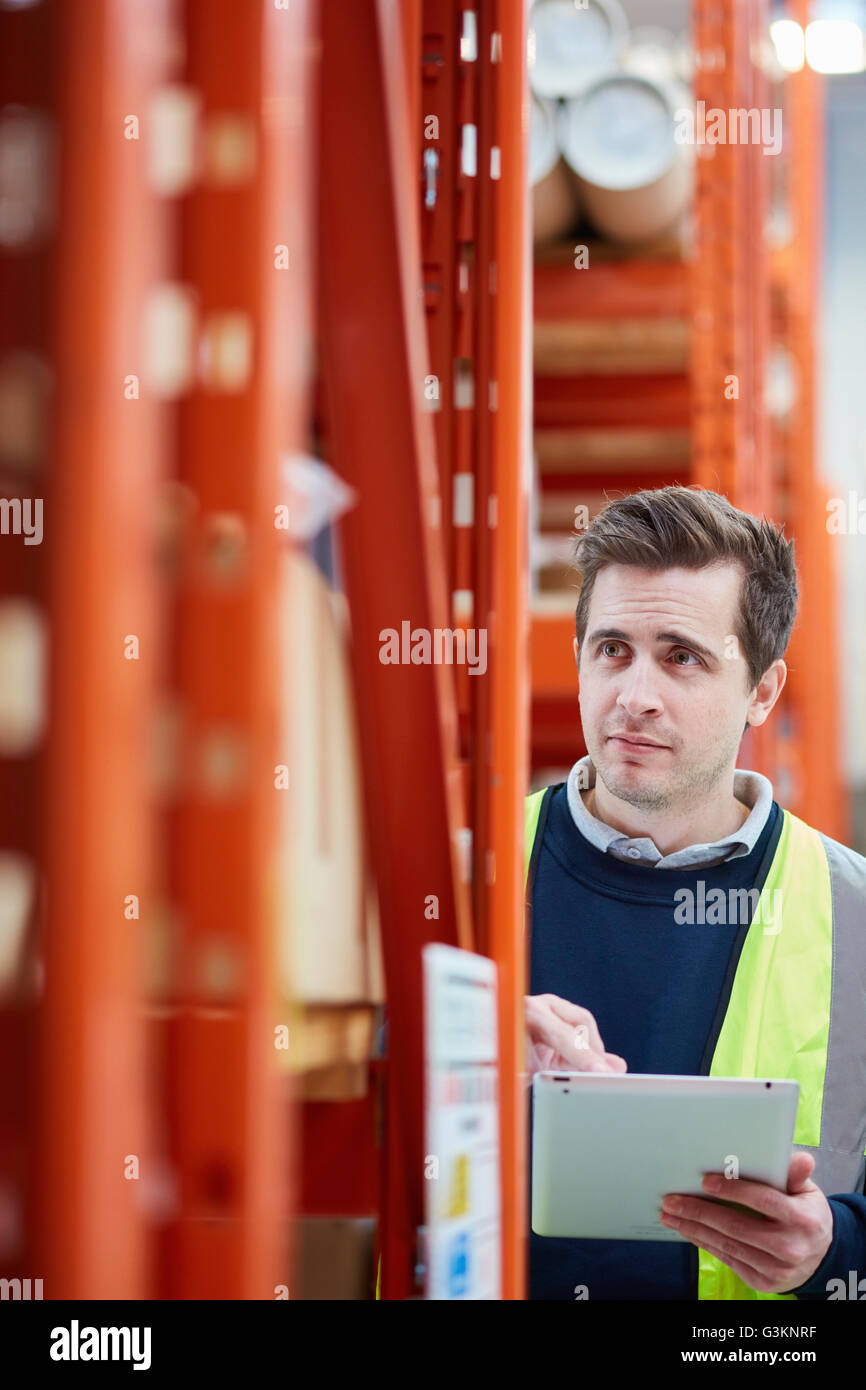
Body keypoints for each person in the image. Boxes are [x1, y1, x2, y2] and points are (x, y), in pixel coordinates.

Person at [524, 486, 866, 1301]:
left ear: (763, 691)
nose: (634, 695)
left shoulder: (854, 913)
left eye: (681, 655)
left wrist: (836, 1249)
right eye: (611, 649)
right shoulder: (468, 877)